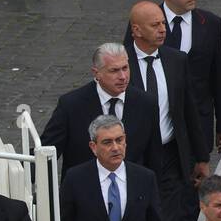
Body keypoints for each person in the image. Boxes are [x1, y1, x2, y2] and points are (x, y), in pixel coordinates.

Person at [127, 1, 207, 221]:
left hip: (170, 155)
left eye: (163, 23)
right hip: (135, 156)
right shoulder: (122, 65)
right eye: (155, 25)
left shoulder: (176, 60)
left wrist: (201, 158)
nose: (163, 29)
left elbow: (189, 111)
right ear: (137, 30)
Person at [148, 0, 221, 152]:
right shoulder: (146, 21)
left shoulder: (211, 24)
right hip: (159, 122)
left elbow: (219, 76)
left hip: (198, 121)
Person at [43, 43, 156, 177]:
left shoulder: (146, 103)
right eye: (114, 70)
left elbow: (154, 156)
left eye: (125, 68)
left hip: (132, 191)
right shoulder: (71, 105)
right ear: (97, 73)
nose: (123, 76)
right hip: (85, 192)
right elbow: (46, 151)